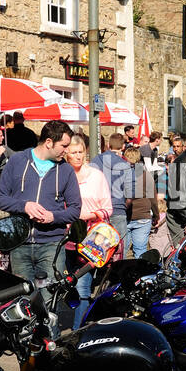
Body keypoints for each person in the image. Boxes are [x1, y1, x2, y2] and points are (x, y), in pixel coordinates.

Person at [0, 120, 81, 288]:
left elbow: (75, 210)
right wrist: (24, 206)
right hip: (19, 244)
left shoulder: (66, 170)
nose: (67, 151)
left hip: (52, 245)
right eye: (64, 146)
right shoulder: (17, 161)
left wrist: (53, 216)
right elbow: (0, 198)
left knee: (48, 300)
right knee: (24, 300)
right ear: (48, 142)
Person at [65, 133, 112, 327]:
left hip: (91, 241)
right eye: (73, 152)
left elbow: (108, 209)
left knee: (83, 287)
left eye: (81, 152)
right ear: (66, 154)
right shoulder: (61, 176)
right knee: (64, 286)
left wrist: (90, 215)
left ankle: (78, 330)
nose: (78, 156)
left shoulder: (96, 176)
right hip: (65, 241)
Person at [91, 133, 129, 244]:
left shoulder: (96, 160)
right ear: (122, 147)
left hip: (99, 210)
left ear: (108, 145)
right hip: (118, 208)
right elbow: (130, 193)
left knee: (97, 249)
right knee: (119, 249)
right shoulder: (125, 165)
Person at [122, 144, 159, 256]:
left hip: (125, 216)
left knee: (121, 252)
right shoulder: (145, 175)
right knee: (140, 251)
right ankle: (140, 273)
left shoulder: (120, 174)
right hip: (143, 216)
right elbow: (153, 198)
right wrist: (156, 215)